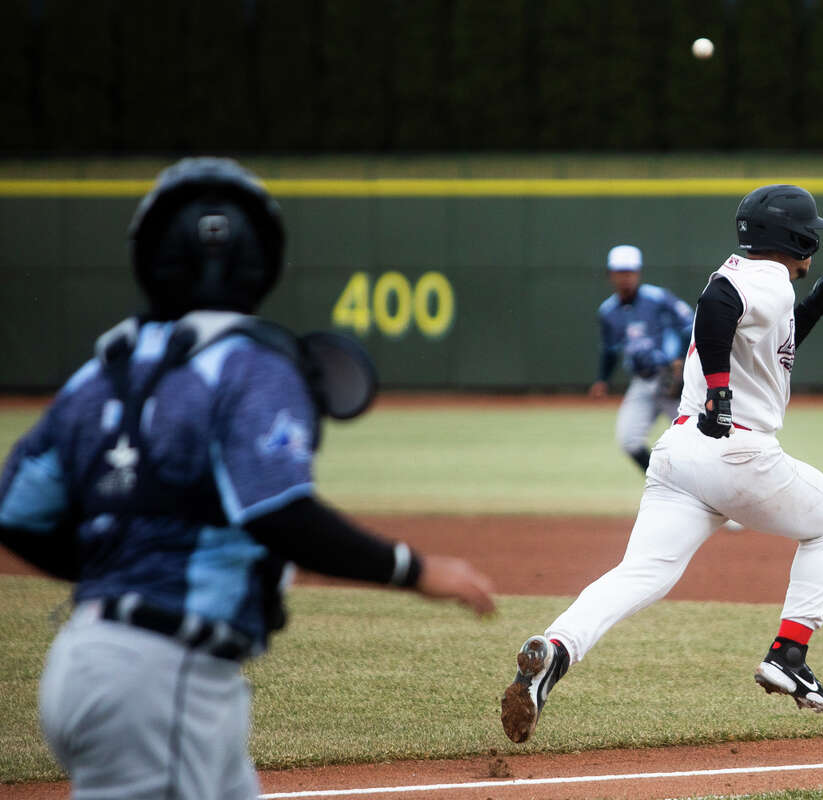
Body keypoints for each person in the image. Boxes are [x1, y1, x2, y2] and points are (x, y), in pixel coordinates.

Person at [0, 157, 495, 799]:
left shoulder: (99, 371)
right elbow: (278, 512)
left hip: (87, 661)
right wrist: (415, 571)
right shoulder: (249, 361)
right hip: (163, 674)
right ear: (263, 260)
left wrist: (114, 569)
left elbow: (15, 513)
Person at [502, 185, 823, 744]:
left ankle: (556, 649)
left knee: (642, 572)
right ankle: (789, 654)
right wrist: (719, 391)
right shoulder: (762, 279)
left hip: (680, 454)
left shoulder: (759, 280)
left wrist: (815, 305)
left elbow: (761, 348)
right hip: (735, 449)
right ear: (796, 239)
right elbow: (717, 306)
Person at [588, 244, 694, 473]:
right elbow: (610, 350)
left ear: (638, 273)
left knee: (697, 439)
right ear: (610, 275)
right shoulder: (608, 311)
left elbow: (690, 326)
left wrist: (681, 360)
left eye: (630, 272)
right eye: (620, 272)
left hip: (671, 380)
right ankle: (663, 482)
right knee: (629, 440)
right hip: (642, 381)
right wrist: (602, 379)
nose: (625, 277)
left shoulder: (658, 298)